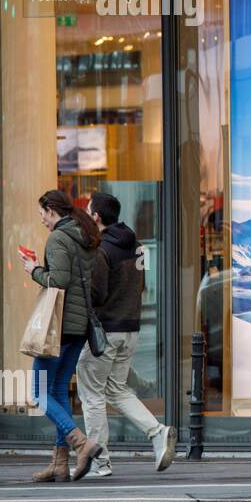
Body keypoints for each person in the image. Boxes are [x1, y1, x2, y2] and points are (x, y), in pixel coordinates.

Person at [76, 192, 177, 476]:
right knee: (116, 389)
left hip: (105, 331)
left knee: (92, 394)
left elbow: (97, 295)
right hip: (130, 329)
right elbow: (140, 286)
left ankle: (100, 459)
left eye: (88, 210)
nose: (86, 214)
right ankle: (157, 432)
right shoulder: (137, 246)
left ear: (96, 216)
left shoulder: (101, 251)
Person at [19, 190, 109, 482]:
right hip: (78, 326)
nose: (42, 220)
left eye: (42, 214)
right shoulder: (83, 235)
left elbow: (58, 281)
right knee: (58, 390)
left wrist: (34, 270)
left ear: (50, 210)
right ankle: (59, 463)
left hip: (58, 326)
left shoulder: (59, 238)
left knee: (39, 392)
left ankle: (81, 443)